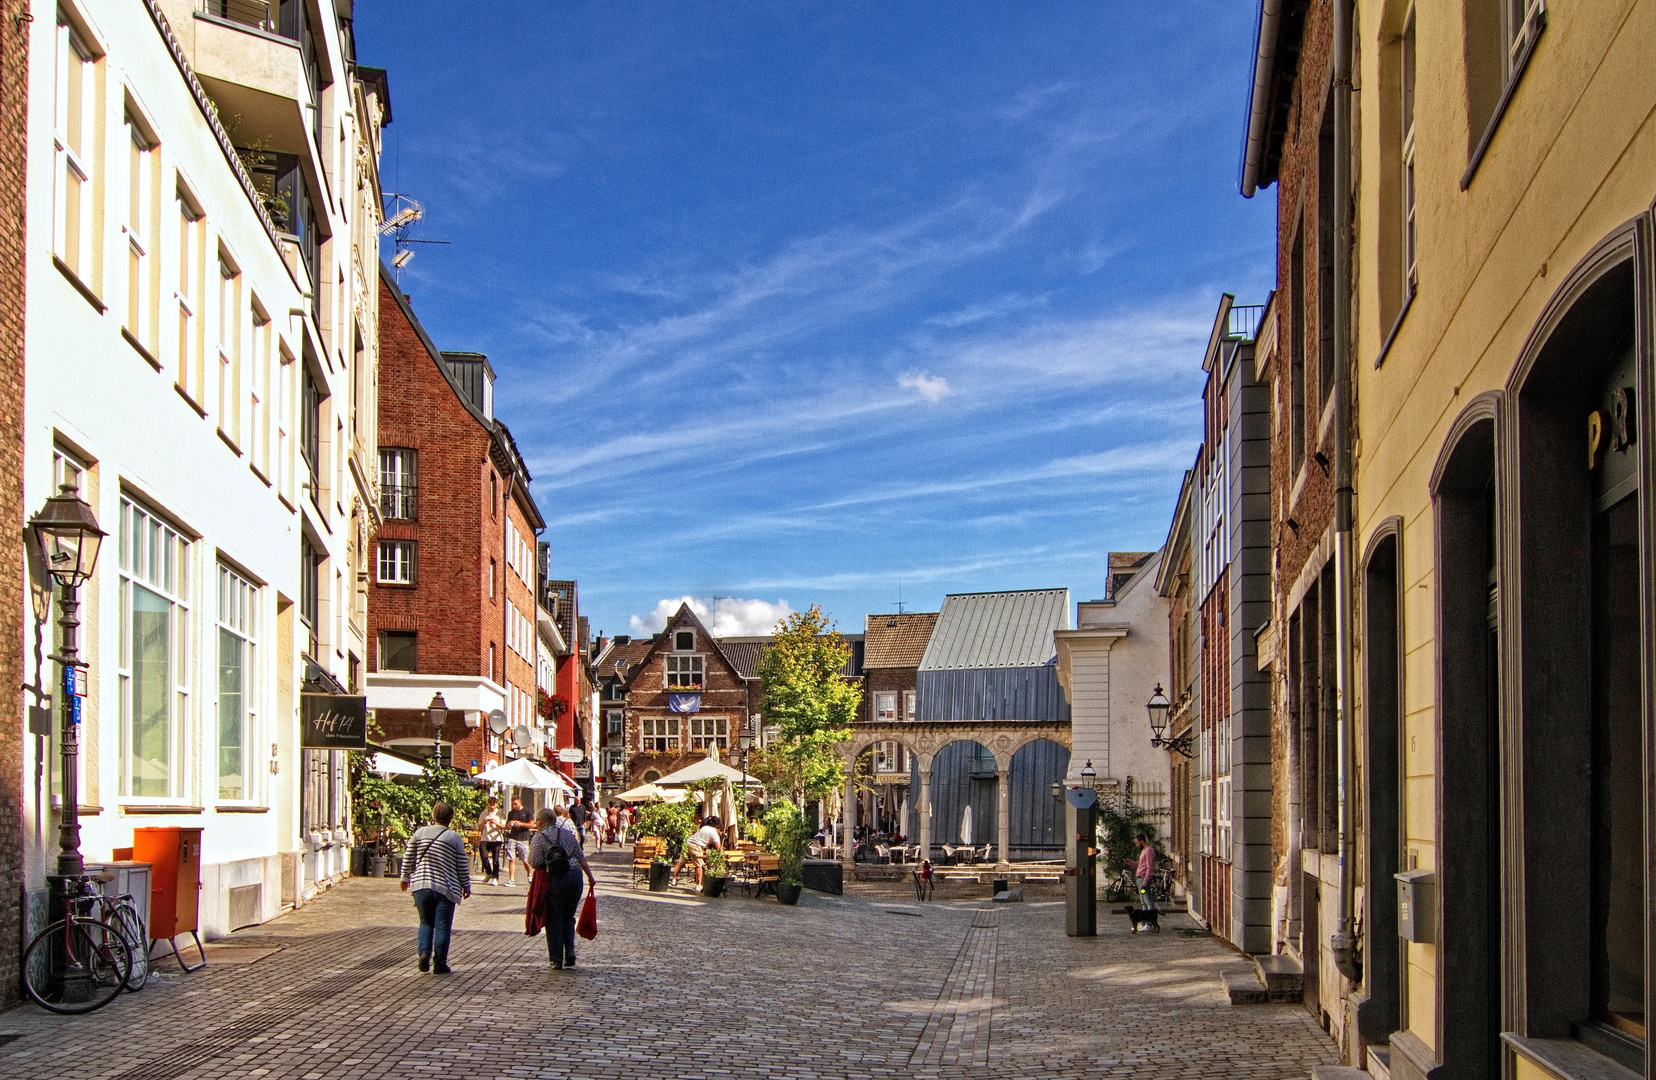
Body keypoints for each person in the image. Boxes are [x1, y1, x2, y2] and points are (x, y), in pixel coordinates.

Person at [401, 801, 471, 973]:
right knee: (443, 926)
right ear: (450, 818)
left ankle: (424, 952)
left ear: (433, 815)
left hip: (421, 885)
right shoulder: (454, 838)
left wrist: (404, 877)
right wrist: (466, 885)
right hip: (445, 888)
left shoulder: (420, 833)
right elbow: (461, 864)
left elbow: (408, 856)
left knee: (425, 922)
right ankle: (439, 963)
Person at [530, 805, 595, 970]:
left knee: (553, 919)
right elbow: (581, 857)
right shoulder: (566, 834)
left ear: (543, 822)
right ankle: (570, 952)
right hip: (574, 877)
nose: (535, 823)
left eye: (537, 820)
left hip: (554, 879)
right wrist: (590, 877)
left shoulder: (539, 838)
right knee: (568, 916)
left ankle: (556, 959)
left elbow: (534, 862)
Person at [674, 815, 723, 887]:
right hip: (695, 846)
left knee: (681, 862)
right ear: (719, 829)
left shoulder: (705, 827)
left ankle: (674, 879)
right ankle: (699, 885)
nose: (720, 834)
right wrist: (721, 853)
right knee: (699, 865)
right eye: (721, 833)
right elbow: (718, 847)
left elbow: (701, 838)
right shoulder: (715, 834)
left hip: (688, 843)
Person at [503, 796, 533, 886]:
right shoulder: (511, 813)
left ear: (520, 802)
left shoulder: (527, 812)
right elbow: (507, 826)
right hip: (513, 837)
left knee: (525, 860)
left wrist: (521, 824)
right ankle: (511, 879)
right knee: (511, 859)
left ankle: (529, 874)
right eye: (513, 804)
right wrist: (509, 825)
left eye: (515, 804)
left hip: (523, 838)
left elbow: (531, 825)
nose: (514, 806)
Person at [477, 796, 505, 886]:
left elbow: (504, 826)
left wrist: (495, 823)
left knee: (495, 859)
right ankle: (489, 872)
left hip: (496, 839)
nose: (492, 807)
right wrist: (484, 822)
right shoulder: (484, 813)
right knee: (484, 856)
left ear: (496, 804)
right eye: (490, 805)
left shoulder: (500, 814)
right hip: (485, 838)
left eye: (493, 805)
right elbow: (479, 827)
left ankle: (495, 877)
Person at [1130, 834, 1156, 925]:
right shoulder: (1144, 851)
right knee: (1143, 901)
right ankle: (1143, 922)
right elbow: (1141, 864)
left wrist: (1145, 881)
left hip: (1143, 879)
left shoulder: (1149, 851)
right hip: (1139, 878)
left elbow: (1149, 867)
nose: (1137, 845)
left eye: (1137, 843)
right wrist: (1131, 863)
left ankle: (1149, 923)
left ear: (1142, 841)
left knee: (1148, 901)